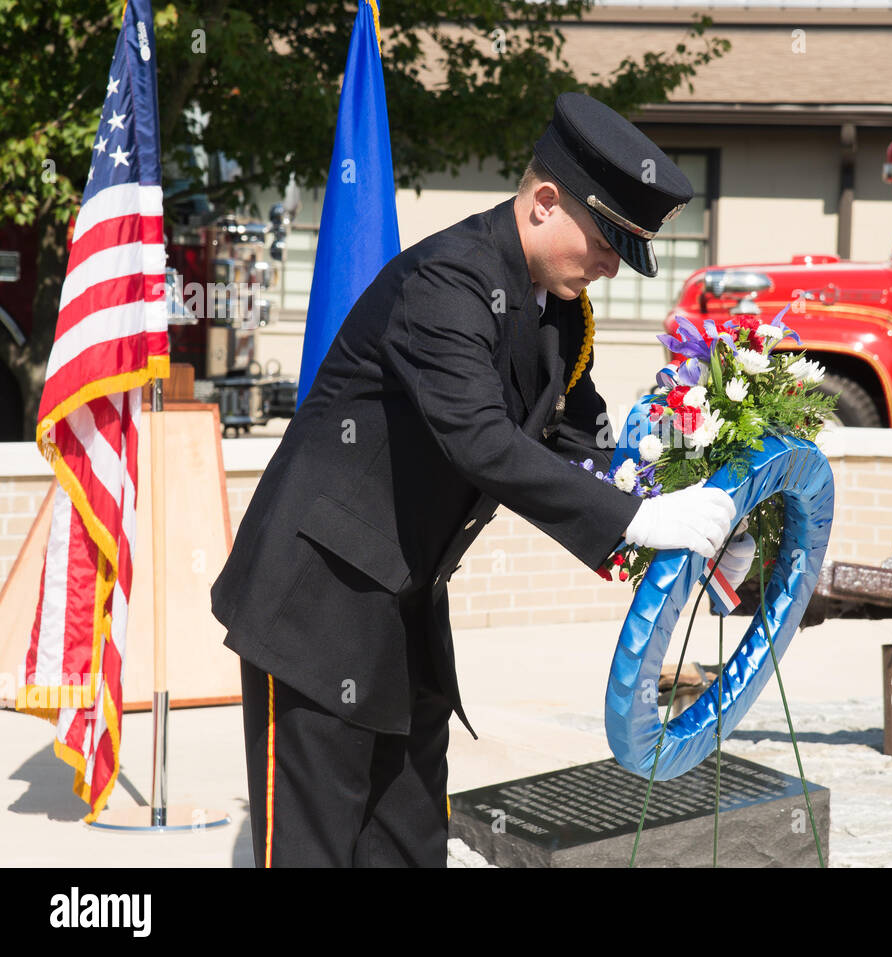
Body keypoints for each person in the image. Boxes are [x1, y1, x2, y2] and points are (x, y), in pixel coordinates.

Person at [211, 92, 752, 867]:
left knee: (406, 841)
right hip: (314, 605)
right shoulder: (448, 281)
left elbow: (579, 440)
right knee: (311, 848)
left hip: (404, 608)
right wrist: (634, 523)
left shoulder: (558, 311)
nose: (610, 265)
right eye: (607, 241)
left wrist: (685, 514)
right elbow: (479, 439)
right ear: (543, 202)